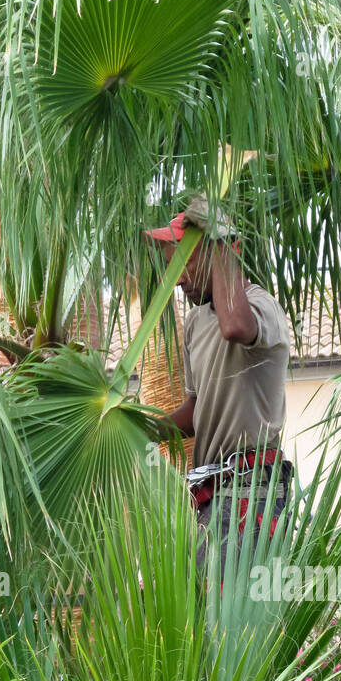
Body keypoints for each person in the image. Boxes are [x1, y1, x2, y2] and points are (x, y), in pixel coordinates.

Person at [146, 196, 293, 564]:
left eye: (186, 261)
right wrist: (141, 426)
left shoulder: (262, 309)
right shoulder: (196, 323)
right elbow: (199, 409)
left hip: (252, 486)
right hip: (210, 493)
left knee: (234, 616)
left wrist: (223, 239)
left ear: (224, 249)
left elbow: (236, 327)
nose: (177, 278)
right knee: (208, 617)